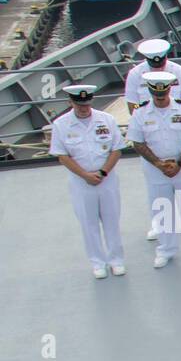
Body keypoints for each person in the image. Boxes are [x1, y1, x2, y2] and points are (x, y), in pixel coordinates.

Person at [127, 71, 181, 268]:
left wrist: (179, 164)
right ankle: (166, 250)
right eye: (157, 94)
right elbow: (137, 142)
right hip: (156, 169)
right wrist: (158, 164)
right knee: (162, 209)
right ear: (151, 92)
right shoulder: (140, 113)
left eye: (163, 93)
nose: (160, 97)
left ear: (170, 89)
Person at [49, 84, 126, 279]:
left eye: (87, 103)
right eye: (79, 104)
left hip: (106, 179)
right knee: (88, 223)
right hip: (81, 182)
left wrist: (103, 172)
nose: (84, 107)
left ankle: (116, 260)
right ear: (70, 102)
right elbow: (62, 156)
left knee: (111, 221)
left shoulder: (106, 120)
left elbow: (116, 149)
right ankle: (98, 262)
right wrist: (85, 175)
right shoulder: (61, 125)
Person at [123, 39, 181, 112]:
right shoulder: (135, 74)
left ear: (166, 57)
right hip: (146, 120)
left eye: (161, 64)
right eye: (154, 66)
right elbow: (132, 107)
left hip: (176, 119)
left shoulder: (179, 71)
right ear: (147, 59)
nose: (159, 69)